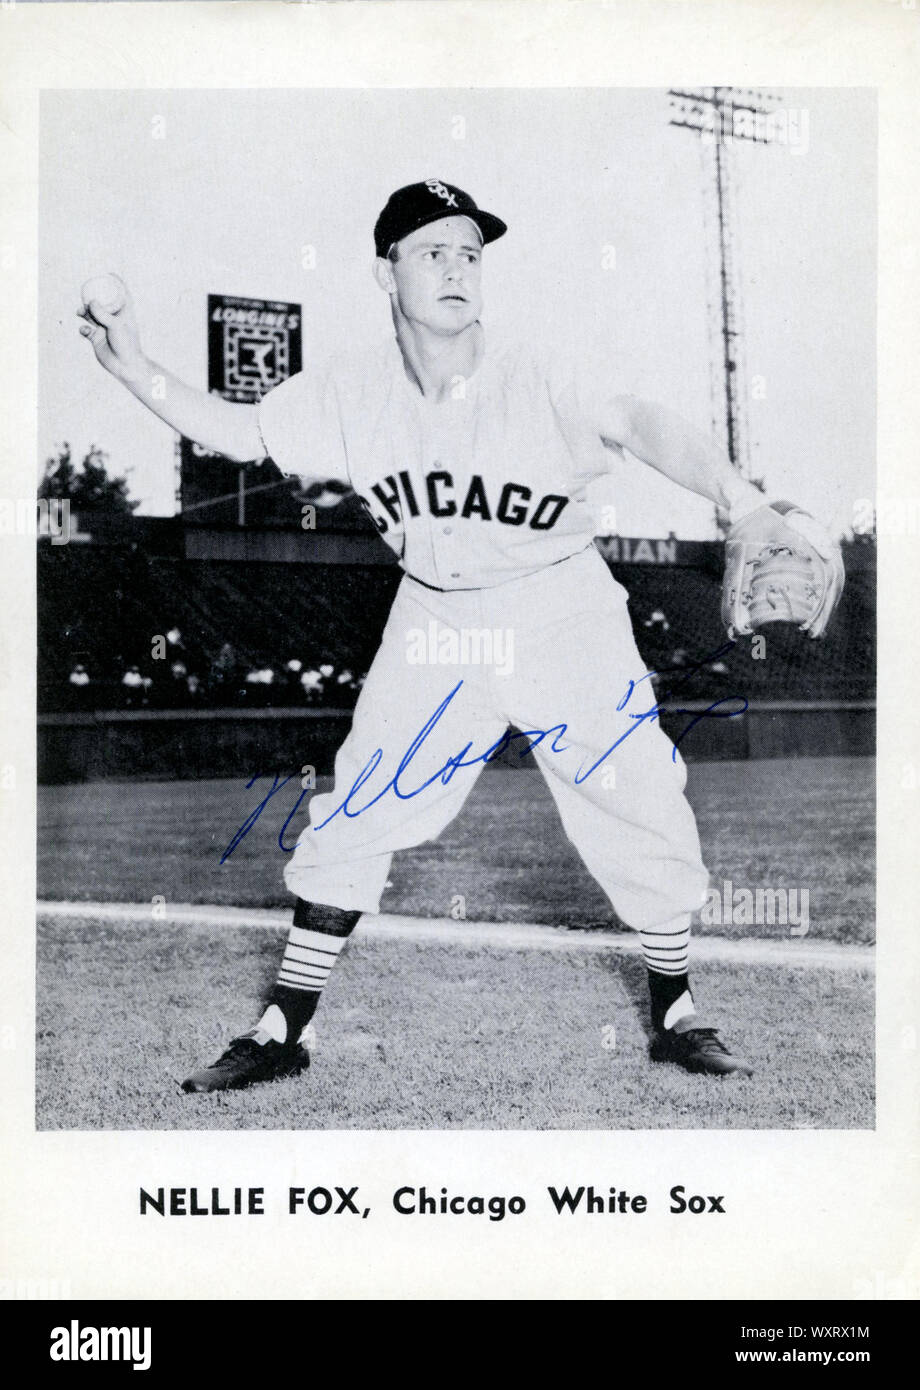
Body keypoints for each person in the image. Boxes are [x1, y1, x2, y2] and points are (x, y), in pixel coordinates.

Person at [80, 177, 779, 1095]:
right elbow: (241, 432)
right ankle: (283, 1027)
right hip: (439, 612)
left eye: (470, 253)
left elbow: (644, 423)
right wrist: (135, 367)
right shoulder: (349, 389)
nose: (457, 268)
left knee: (638, 796)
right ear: (386, 272)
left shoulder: (540, 369)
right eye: (432, 251)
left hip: (559, 604)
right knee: (361, 801)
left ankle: (677, 1012)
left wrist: (737, 494)